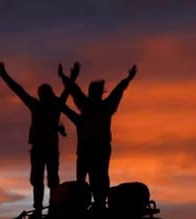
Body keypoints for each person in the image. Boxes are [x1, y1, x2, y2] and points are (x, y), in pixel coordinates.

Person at [0, 61, 80, 211]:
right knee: (46, 180)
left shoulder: (38, 106)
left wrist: (4, 75)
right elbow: (66, 91)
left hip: (44, 148)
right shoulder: (51, 106)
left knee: (45, 180)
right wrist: (73, 76)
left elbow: (20, 90)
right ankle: (46, 208)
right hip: (45, 148)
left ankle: (45, 208)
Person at [58, 63, 137, 209]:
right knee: (97, 174)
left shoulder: (92, 106)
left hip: (97, 144)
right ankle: (96, 202)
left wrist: (65, 77)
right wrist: (128, 79)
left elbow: (75, 90)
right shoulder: (101, 106)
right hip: (97, 144)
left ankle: (98, 202)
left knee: (97, 174)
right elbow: (117, 91)